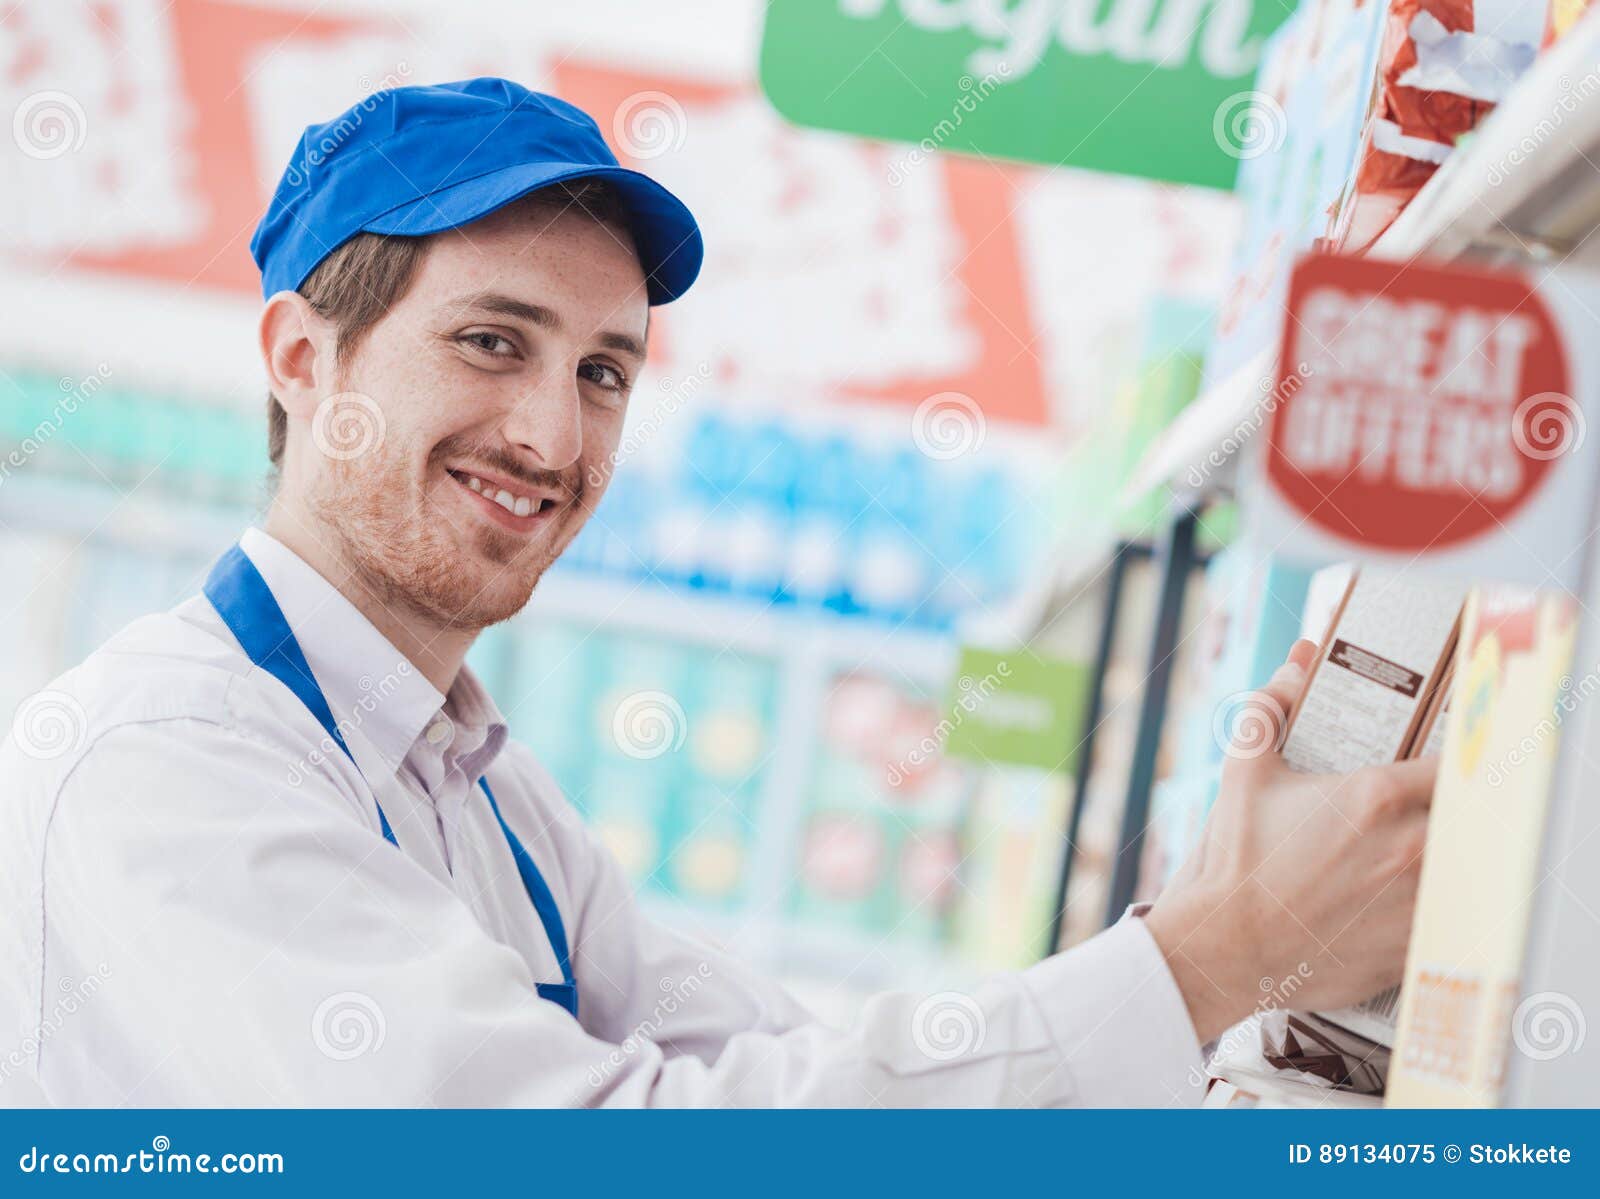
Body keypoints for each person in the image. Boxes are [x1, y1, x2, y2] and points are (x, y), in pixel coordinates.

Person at [0, 79, 1435, 1107]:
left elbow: (775, 1070)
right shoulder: (166, 767)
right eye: (493, 342)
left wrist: (1210, 950)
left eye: (601, 372)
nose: (550, 437)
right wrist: (1204, 959)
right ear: (303, 361)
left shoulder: (484, 790)